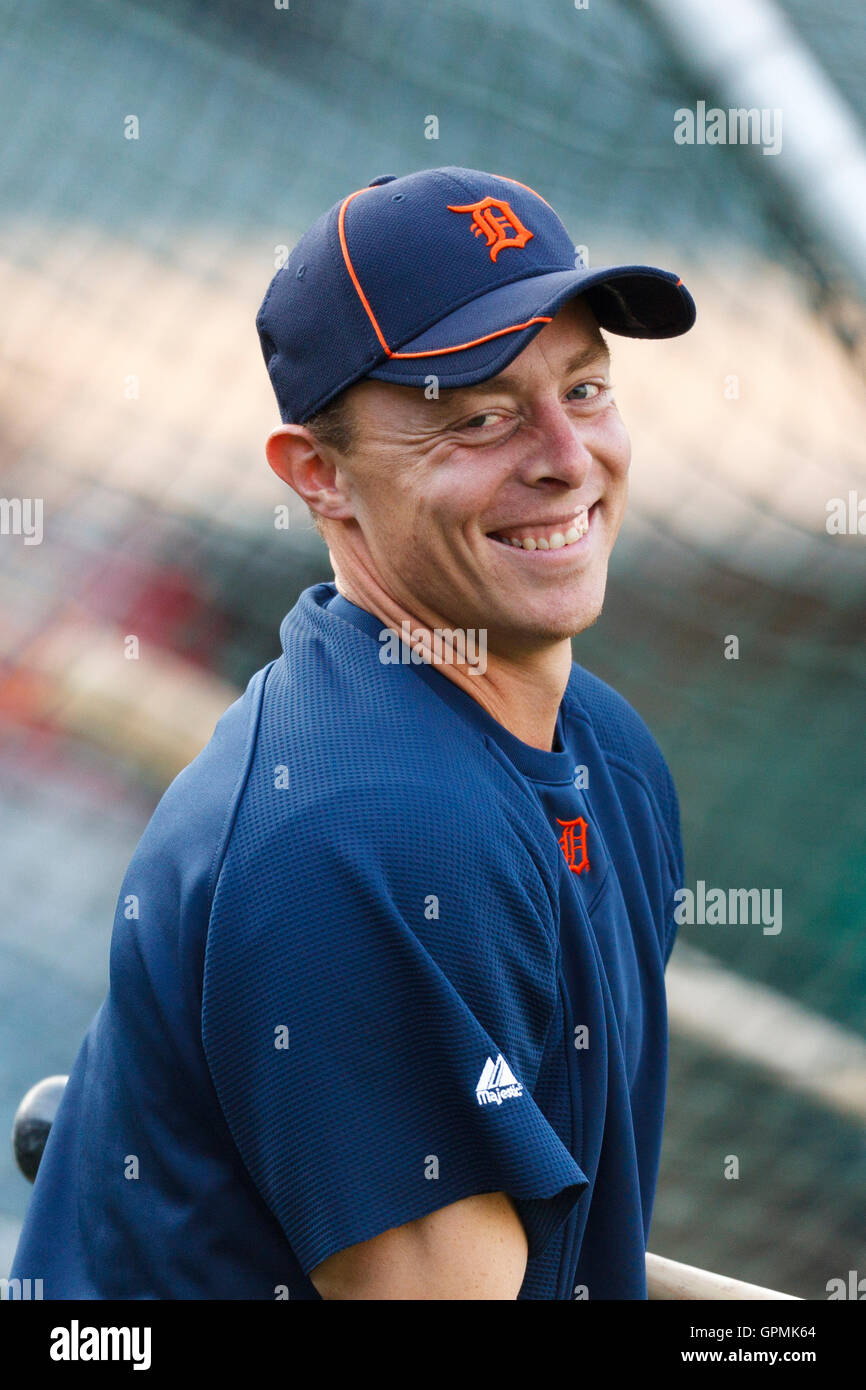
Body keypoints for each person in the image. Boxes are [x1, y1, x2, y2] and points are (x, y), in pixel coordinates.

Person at [11, 166, 695, 1300]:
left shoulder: (601, 751)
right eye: (476, 416)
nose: (565, 460)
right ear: (317, 475)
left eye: (581, 391)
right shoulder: (356, 836)